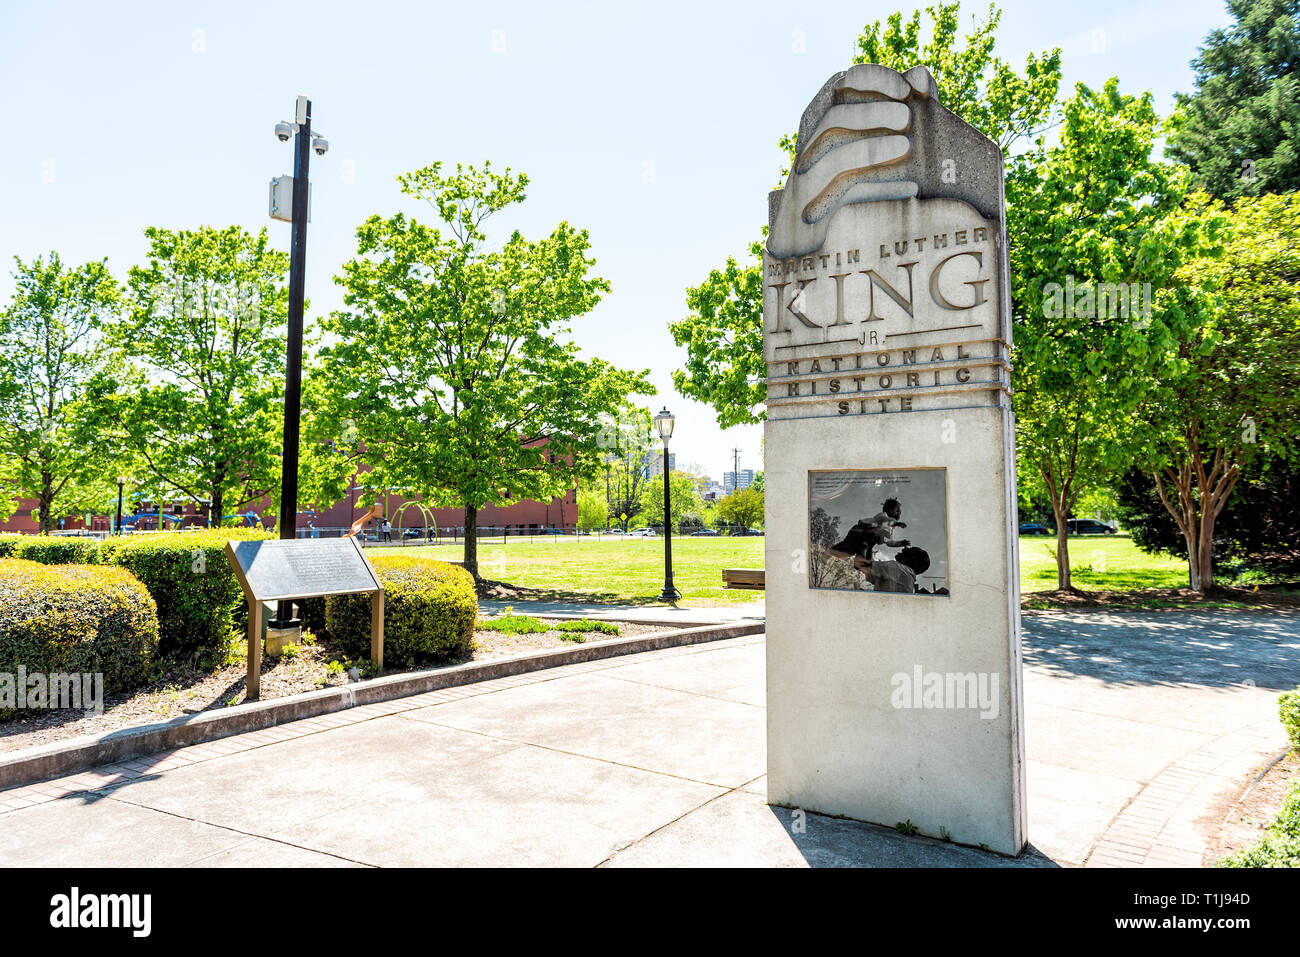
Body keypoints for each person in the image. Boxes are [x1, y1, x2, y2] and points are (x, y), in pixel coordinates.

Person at [859, 546, 931, 593]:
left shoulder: (896, 568)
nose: (904, 548)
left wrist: (864, 543)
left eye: (909, 550)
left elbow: (863, 564)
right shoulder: (908, 578)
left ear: (912, 560)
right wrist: (869, 546)